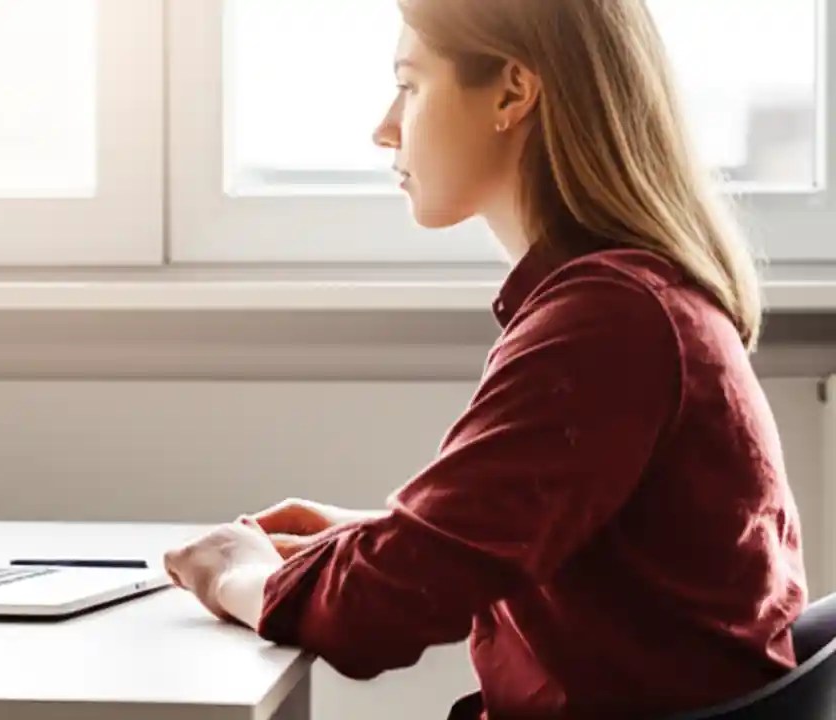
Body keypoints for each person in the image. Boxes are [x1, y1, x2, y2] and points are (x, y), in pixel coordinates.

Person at [161, 1, 808, 718]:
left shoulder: (607, 322)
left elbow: (378, 612)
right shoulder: (632, 300)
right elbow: (568, 559)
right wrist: (378, 540)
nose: (384, 127)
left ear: (511, 91)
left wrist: (235, 575)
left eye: (409, 84)